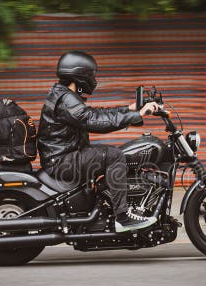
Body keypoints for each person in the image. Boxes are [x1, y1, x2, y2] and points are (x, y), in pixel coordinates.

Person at [37, 51, 161, 232]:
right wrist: (137, 115)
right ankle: (122, 217)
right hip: (62, 160)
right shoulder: (66, 99)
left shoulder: (64, 95)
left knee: (108, 154)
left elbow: (95, 113)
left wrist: (129, 109)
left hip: (62, 155)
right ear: (80, 76)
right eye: (91, 75)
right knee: (115, 155)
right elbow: (93, 120)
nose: (93, 80)